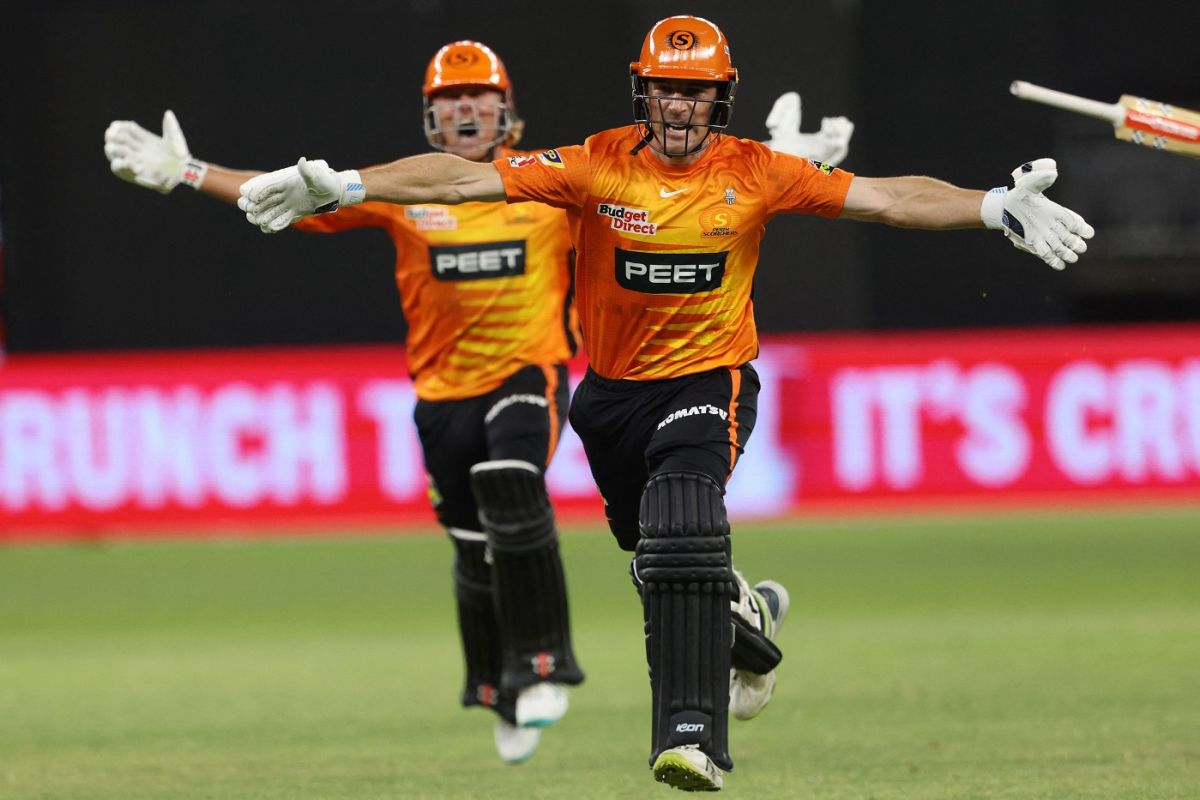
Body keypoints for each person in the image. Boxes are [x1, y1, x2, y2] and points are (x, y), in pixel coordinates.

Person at [240, 15, 1066, 790]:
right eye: (667, 89)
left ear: (719, 98)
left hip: (713, 379)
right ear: (646, 92)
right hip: (611, 401)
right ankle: (749, 618)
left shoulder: (756, 170)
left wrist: (991, 208)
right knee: (657, 558)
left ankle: (690, 737)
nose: (680, 105)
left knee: (678, 525)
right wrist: (347, 183)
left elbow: (886, 197)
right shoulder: (595, 164)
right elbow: (459, 180)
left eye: (696, 91)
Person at [104, 40, 590, 766]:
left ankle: (547, 662)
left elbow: (659, 196)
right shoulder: (407, 188)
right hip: (440, 398)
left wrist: (758, 166)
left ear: (506, 110)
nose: (464, 108)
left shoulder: (553, 186)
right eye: (448, 99)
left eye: (477, 95)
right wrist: (187, 171)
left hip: (530, 374)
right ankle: (502, 689)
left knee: (513, 482)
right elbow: (282, 197)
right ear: (432, 117)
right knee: (472, 552)